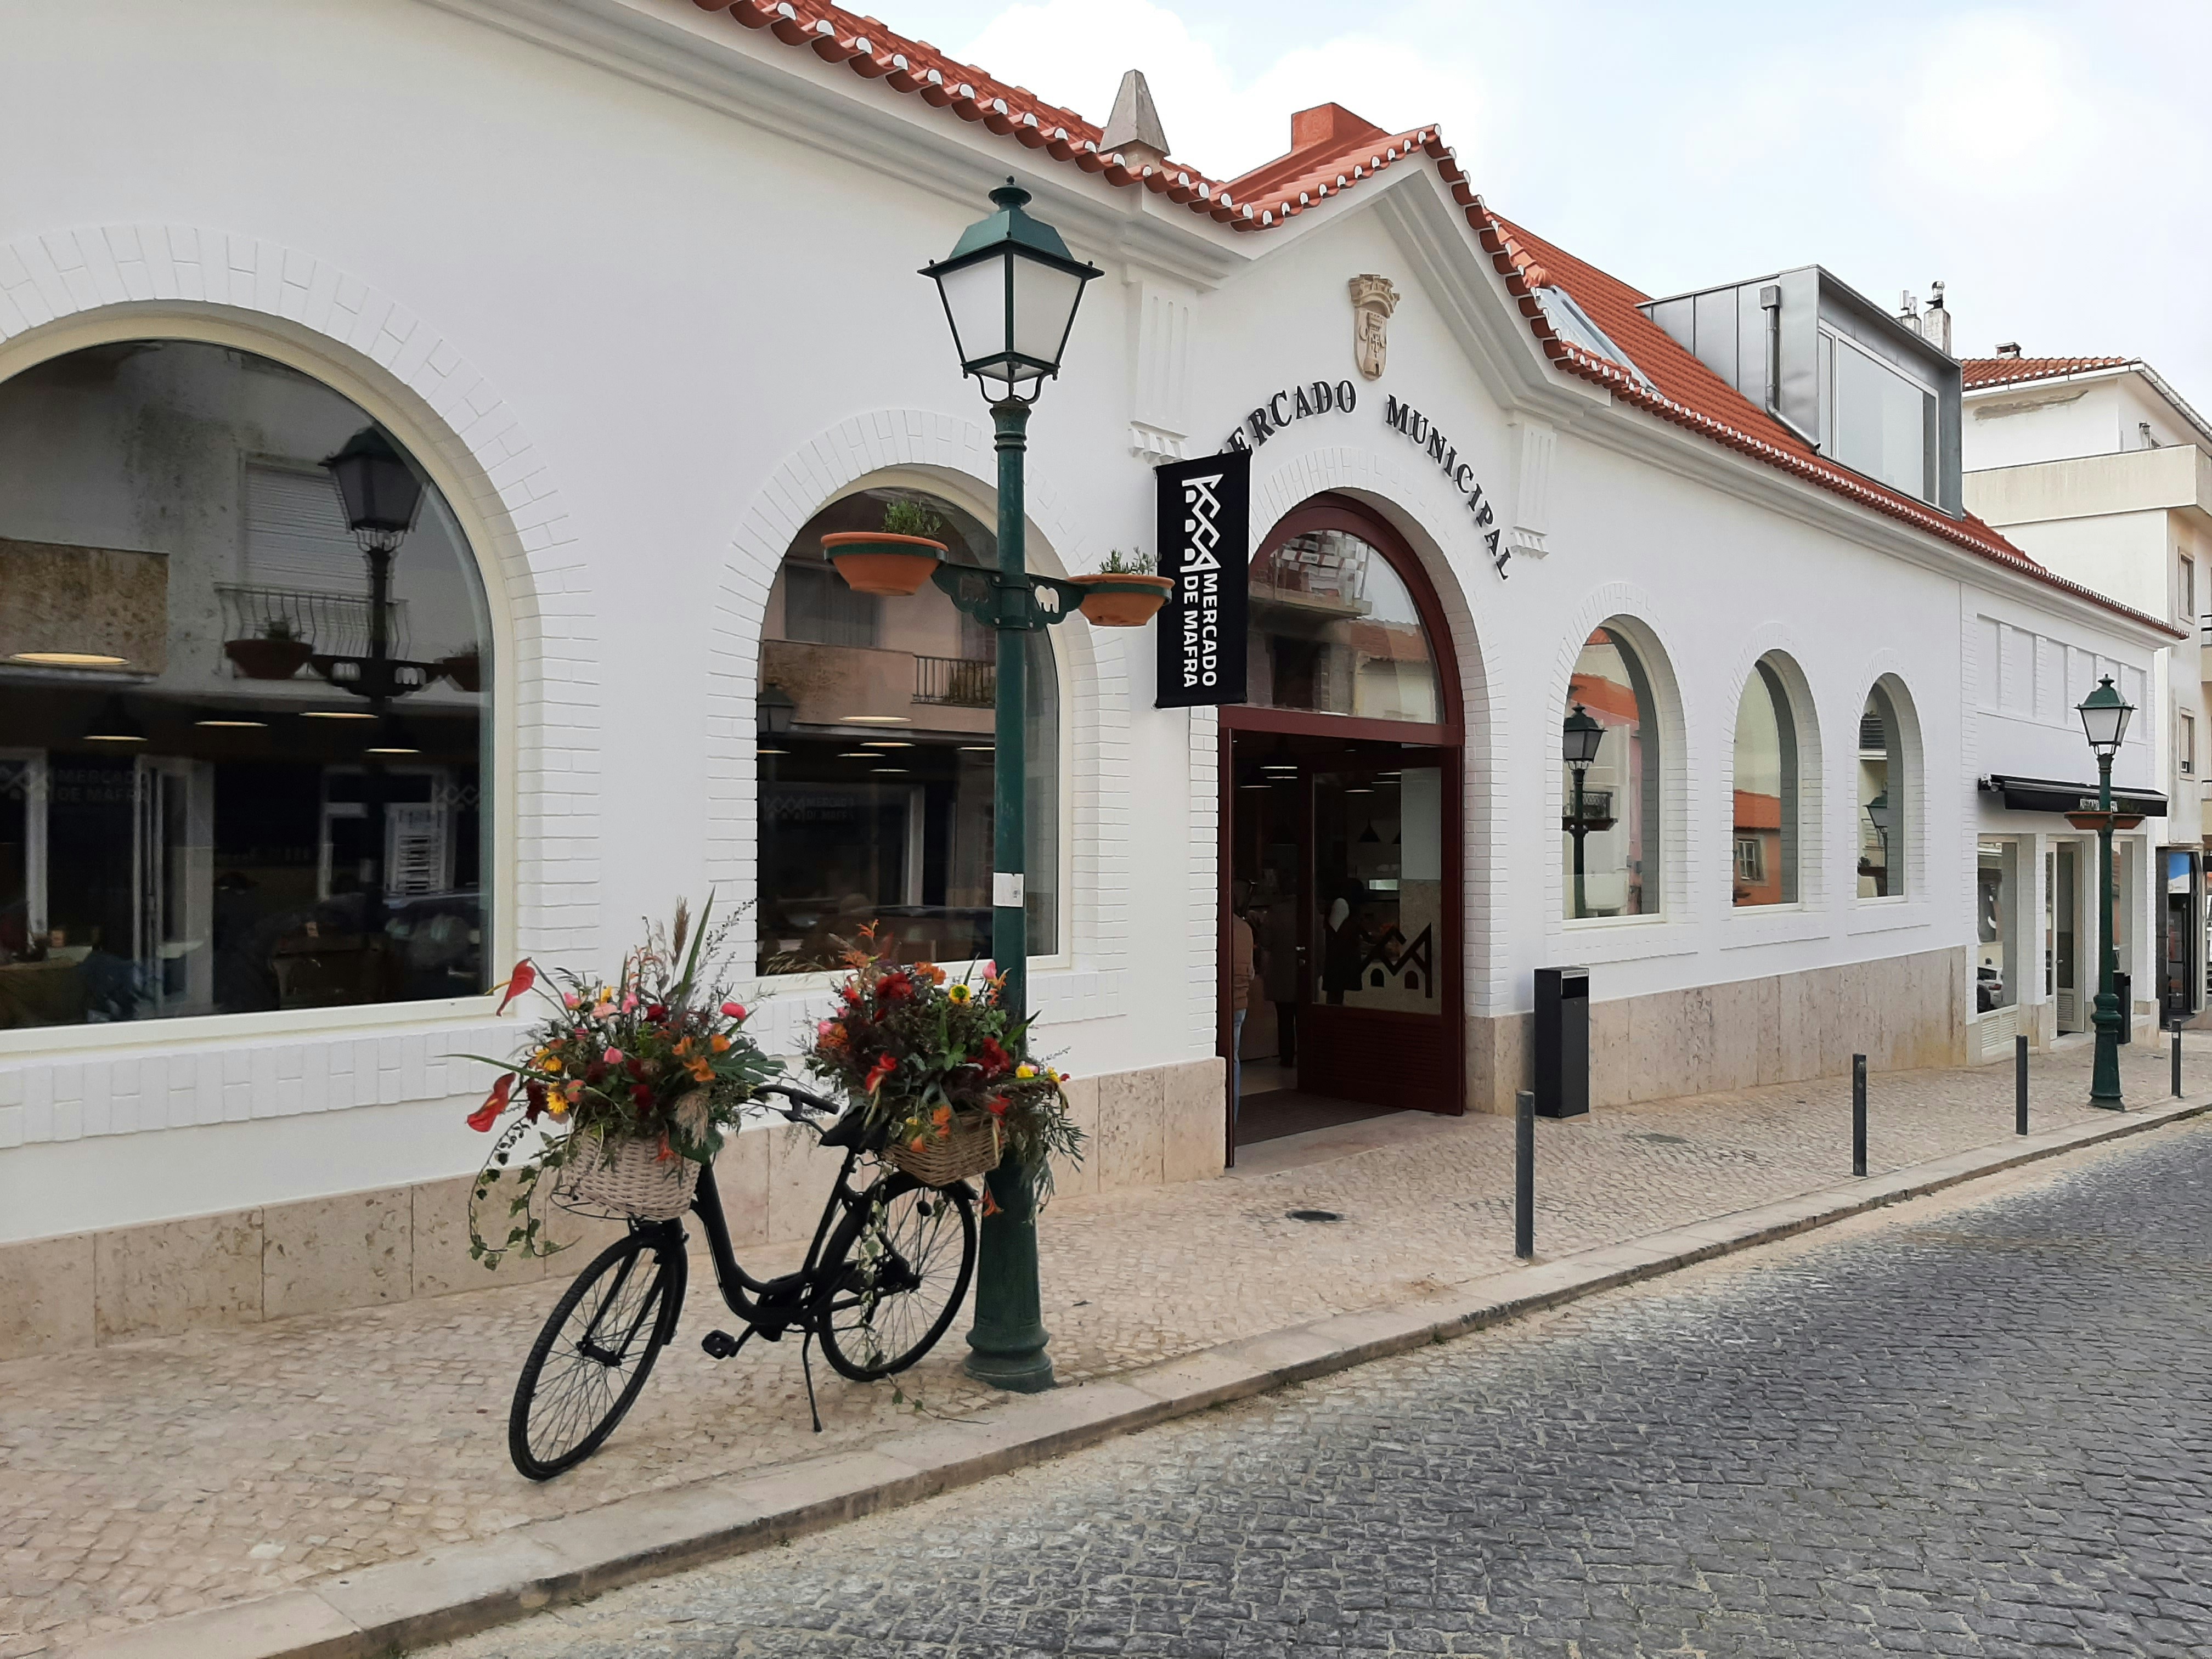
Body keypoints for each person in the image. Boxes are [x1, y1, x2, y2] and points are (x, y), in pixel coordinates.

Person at [1228, 882, 1256, 1128]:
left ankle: (1223, 1122)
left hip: (1222, 1004)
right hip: (1241, 1003)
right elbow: (1251, 972)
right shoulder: (1245, 929)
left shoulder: (1216, 929)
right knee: (1234, 1058)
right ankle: (1232, 1121)